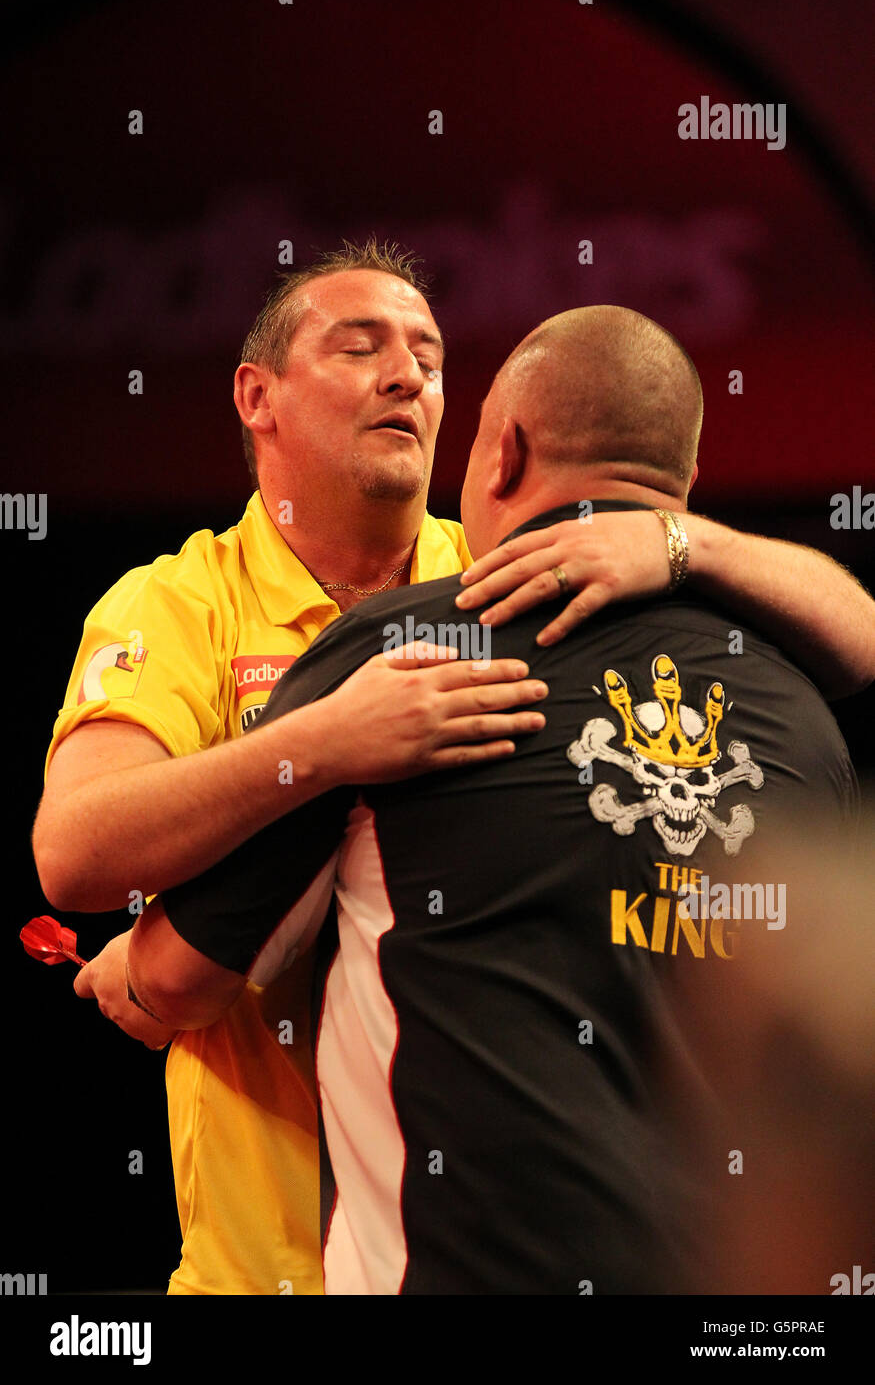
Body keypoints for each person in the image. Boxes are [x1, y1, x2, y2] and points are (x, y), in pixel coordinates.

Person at [33, 247, 873, 1295]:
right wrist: (323, 743)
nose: (407, 375)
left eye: (429, 357)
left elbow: (861, 630)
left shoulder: (515, 579)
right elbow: (73, 853)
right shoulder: (172, 602)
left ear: (492, 451)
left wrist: (675, 539)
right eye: (360, 346)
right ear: (257, 396)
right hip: (262, 1263)